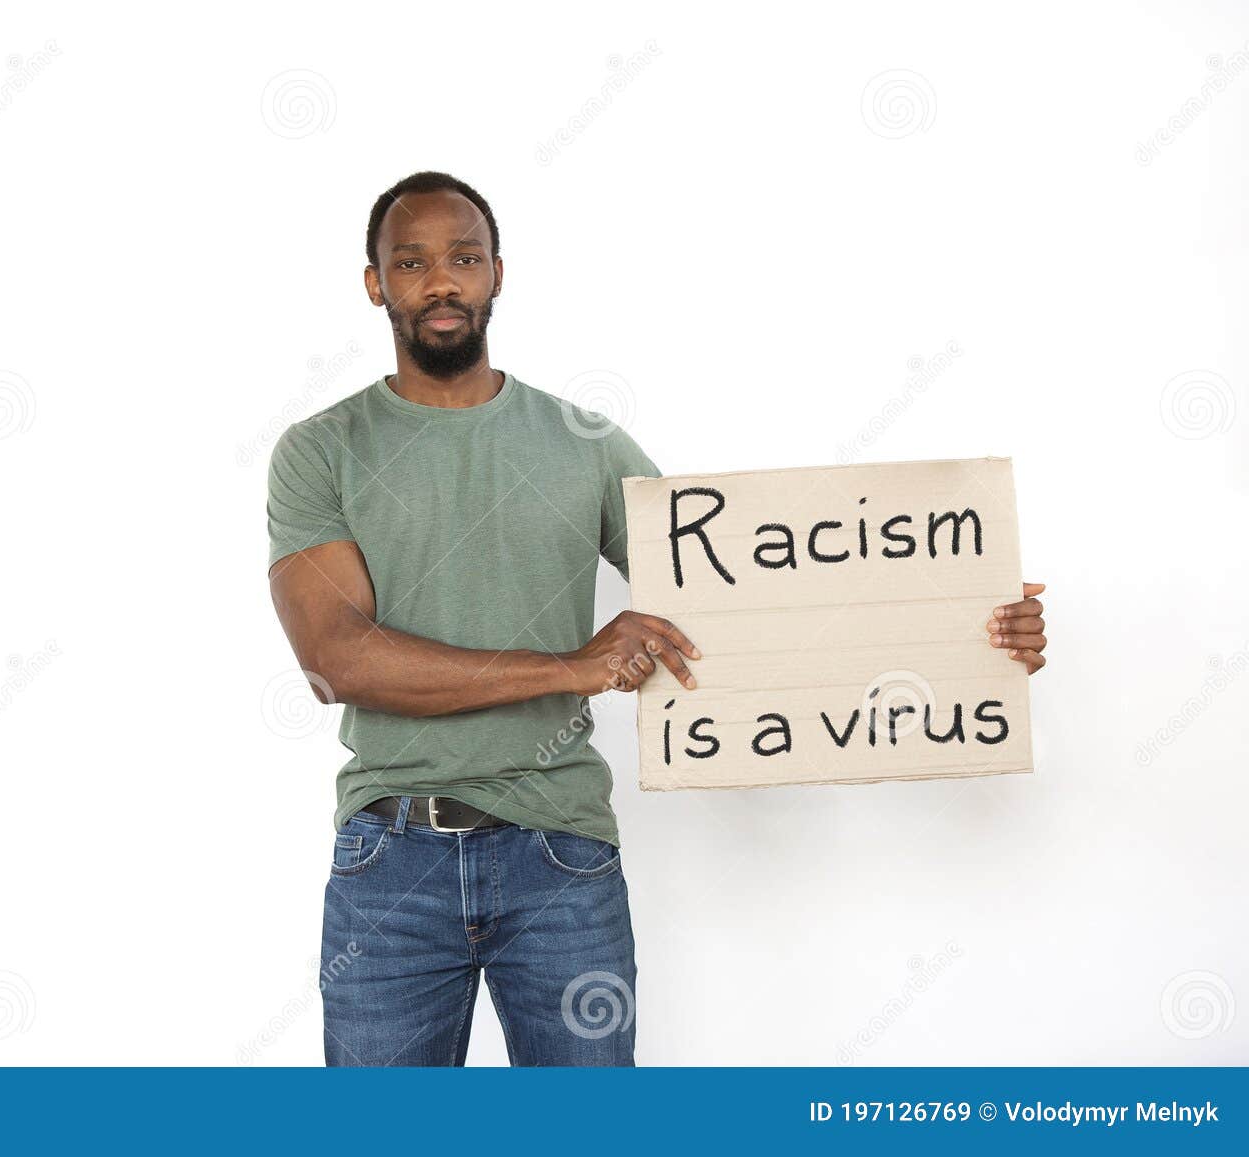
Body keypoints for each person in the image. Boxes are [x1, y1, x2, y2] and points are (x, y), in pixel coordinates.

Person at [266, 170, 1049, 1066]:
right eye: (411, 263)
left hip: (561, 854)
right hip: (390, 864)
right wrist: (571, 667)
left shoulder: (582, 444)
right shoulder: (321, 449)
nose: (440, 282)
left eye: (464, 258)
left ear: (498, 274)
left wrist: (961, 633)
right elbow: (338, 660)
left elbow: (734, 594)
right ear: (376, 283)